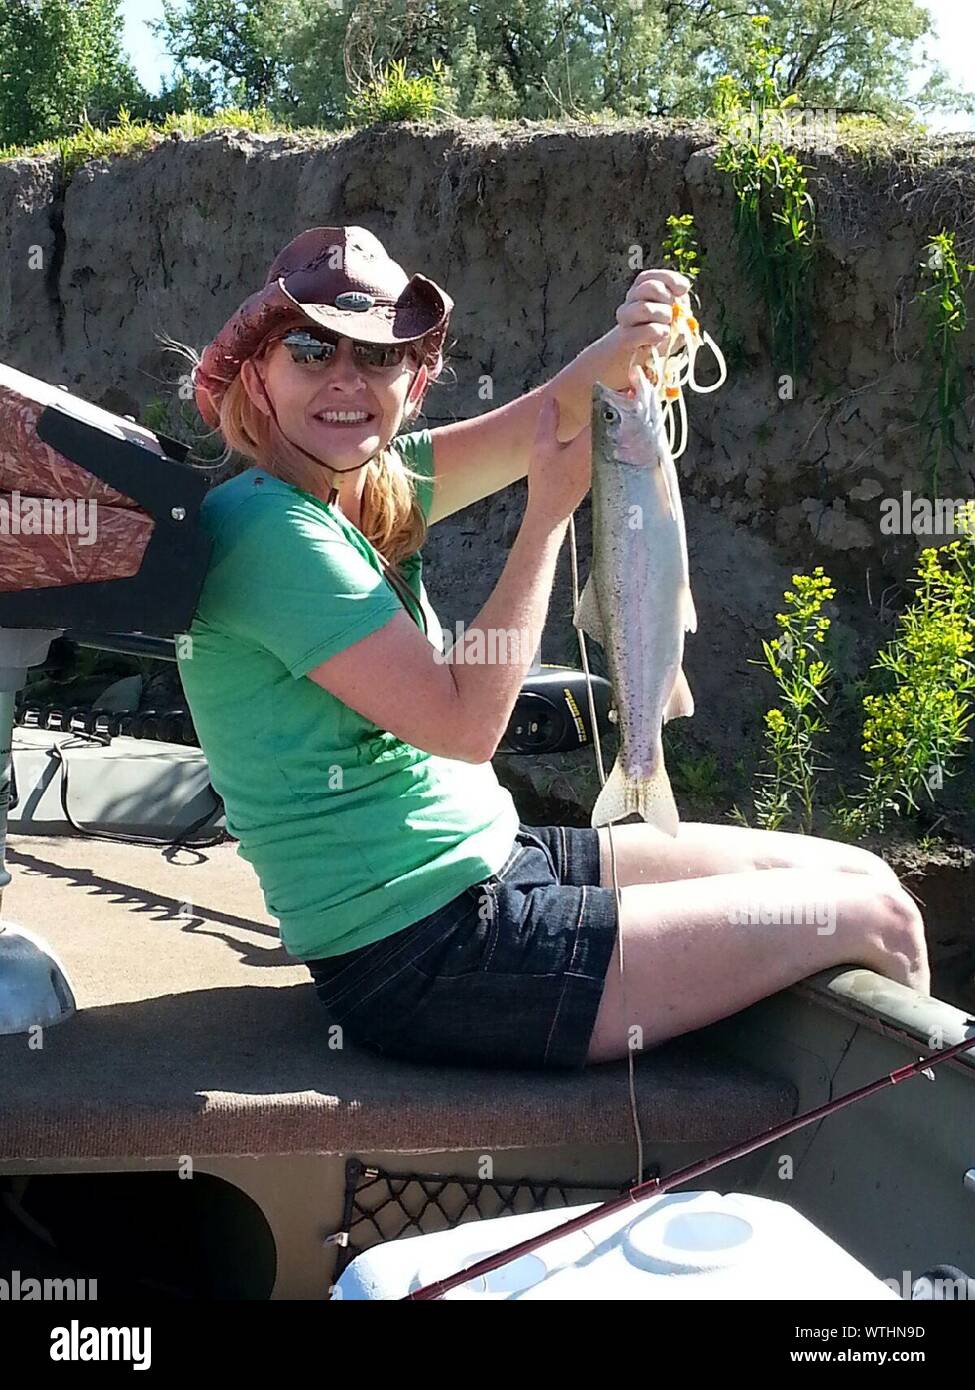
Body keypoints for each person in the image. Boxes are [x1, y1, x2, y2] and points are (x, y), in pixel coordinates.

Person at [174, 224, 930, 1071]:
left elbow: (549, 414)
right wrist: (545, 519)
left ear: (412, 383)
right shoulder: (266, 528)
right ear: (257, 378)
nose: (347, 379)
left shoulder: (370, 480)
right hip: (421, 950)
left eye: (378, 355)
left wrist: (635, 333)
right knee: (878, 923)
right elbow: (464, 728)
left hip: (498, 864)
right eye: (312, 349)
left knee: (866, 876)